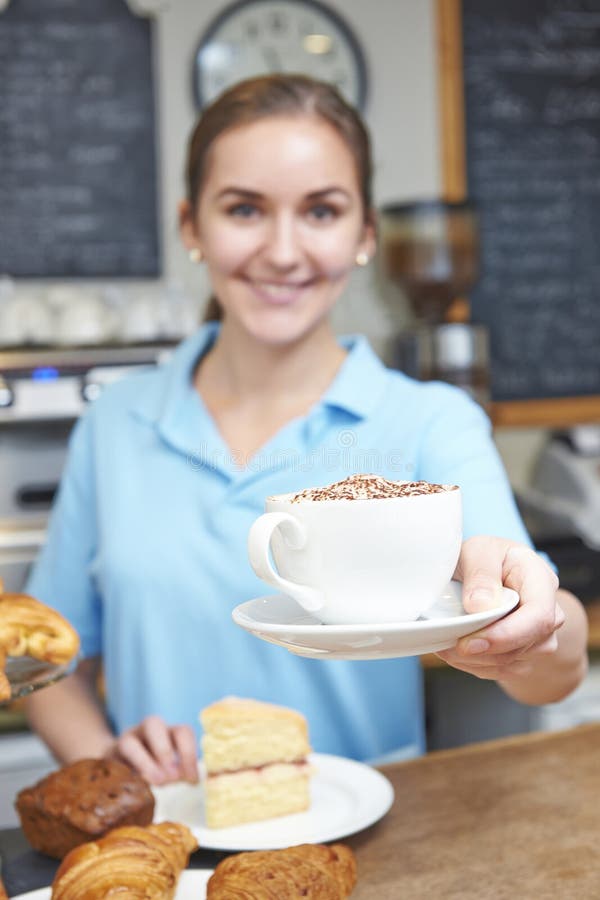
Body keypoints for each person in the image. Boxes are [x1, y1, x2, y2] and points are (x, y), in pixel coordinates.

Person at [24, 75, 588, 786]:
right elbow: (41, 661)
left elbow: (550, 673)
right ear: (192, 226)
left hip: (378, 848)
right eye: (245, 209)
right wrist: (111, 769)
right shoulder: (114, 425)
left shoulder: (429, 424)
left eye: (321, 211)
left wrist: (535, 624)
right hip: (173, 851)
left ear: (364, 235)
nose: (284, 251)